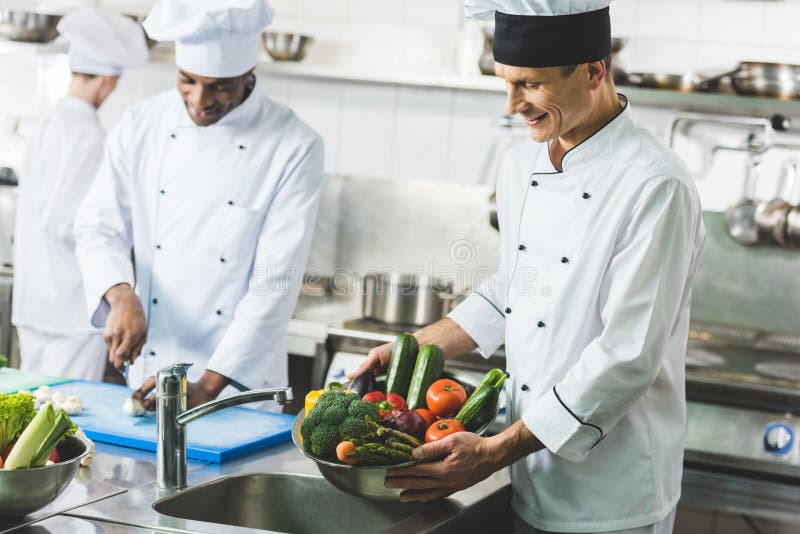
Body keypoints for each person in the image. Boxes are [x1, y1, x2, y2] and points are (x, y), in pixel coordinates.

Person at [351, 1, 706, 532]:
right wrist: (415, 348)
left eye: (531, 85)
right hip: (529, 473)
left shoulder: (656, 185)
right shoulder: (523, 163)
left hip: (611, 494)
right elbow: (513, 289)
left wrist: (495, 451)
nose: (515, 104)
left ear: (593, 71)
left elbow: (627, 355)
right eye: (506, 83)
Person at [74, 0, 324, 409]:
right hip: (151, 371)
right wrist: (121, 295)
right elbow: (97, 226)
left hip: (237, 388)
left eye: (219, 85)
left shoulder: (294, 145)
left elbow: (273, 284)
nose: (199, 99)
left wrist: (208, 386)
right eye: (186, 80)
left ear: (249, 75)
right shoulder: (142, 124)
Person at [12, 8, 148, 381]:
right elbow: (70, 223)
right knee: (62, 418)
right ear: (108, 80)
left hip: (34, 301)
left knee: (27, 418)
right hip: (68, 308)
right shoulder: (91, 139)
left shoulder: (45, 124)